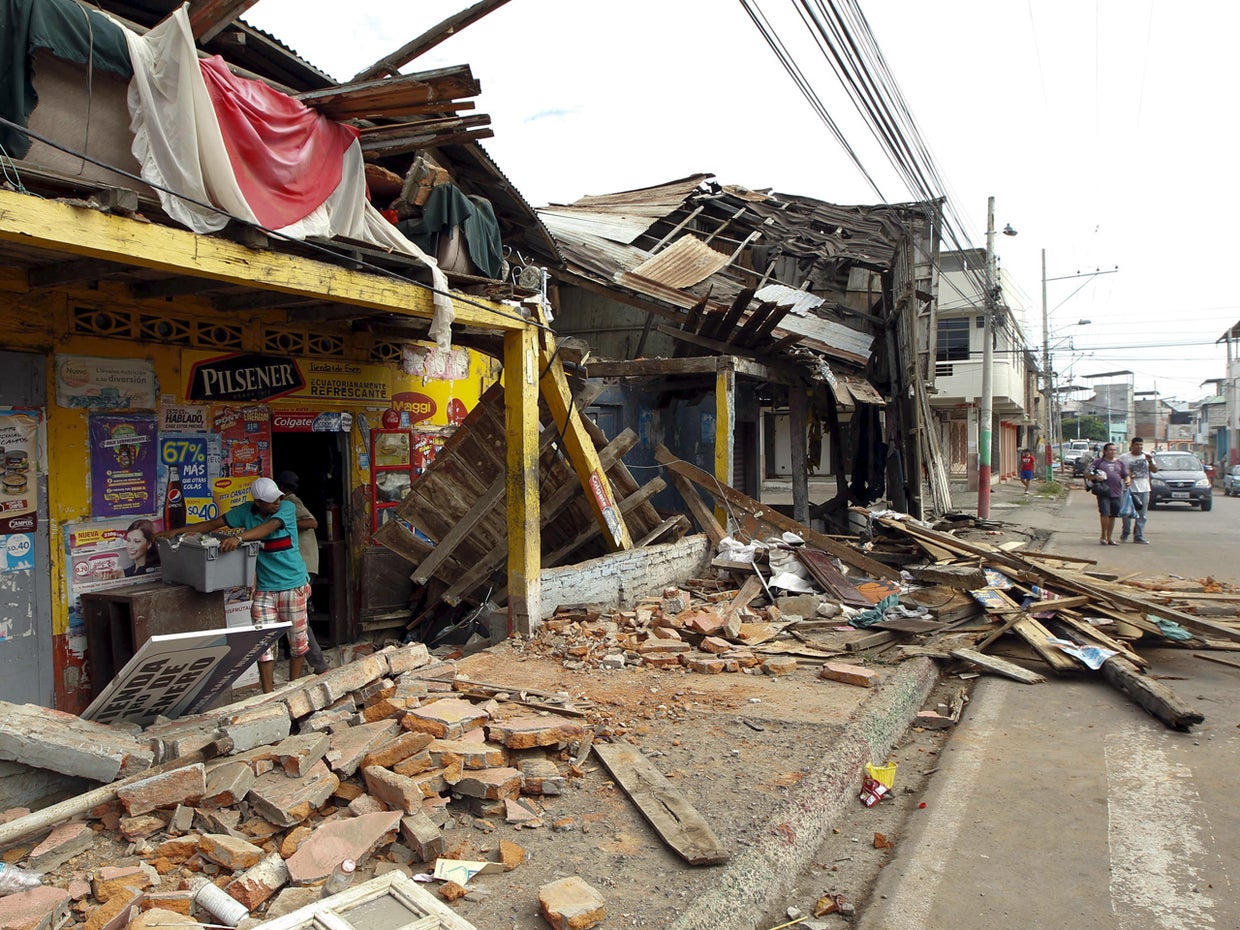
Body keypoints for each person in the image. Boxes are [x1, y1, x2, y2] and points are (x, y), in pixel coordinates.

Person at [155, 476, 309, 692]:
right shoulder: (245, 511)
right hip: (265, 588)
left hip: (293, 584)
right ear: (258, 502)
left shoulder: (286, 509)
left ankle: (294, 688)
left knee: (297, 641)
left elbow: (269, 528)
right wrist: (177, 532)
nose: (276, 502)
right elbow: (212, 524)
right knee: (262, 643)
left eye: (277, 498)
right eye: (270, 500)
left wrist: (239, 538)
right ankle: (267, 694)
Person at [275, 470, 330, 674]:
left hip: (302, 566)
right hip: (299, 566)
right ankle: (300, 657)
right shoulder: (287, 503)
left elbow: (312, 522)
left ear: (282, 488)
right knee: (296, 617)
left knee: (298, 618)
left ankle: (318, 664)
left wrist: (284, 523)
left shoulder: (291, 502)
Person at [1087, 442, 1130, 546]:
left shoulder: (1120, 463)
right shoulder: (1098, 463)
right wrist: (1096, 477)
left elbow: (1126, 475)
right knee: (1105, 514)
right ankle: (1103, 536)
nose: (1113, 452)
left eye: (1114, 450)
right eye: (1110, 450)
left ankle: (1109, 538)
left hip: (1117, 492)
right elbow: (1088, 474)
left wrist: (1128, 481)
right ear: (1105, 451)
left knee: (1113, 516)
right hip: (1103, 492)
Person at [1118, 437, 1158, 544]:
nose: (1139, 447)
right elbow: (1119, 472)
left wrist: (1150, 461)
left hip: (1144, 489)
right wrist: (1127, 475)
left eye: (1141, 445)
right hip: (1129, 489)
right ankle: (1126, 531)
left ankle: (1138, 536)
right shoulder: (1124, 458)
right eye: (1136, 445)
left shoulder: (1147, 456)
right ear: (1131, 446)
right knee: (1126, 513)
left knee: (1142, 514)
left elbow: (1155, 470)